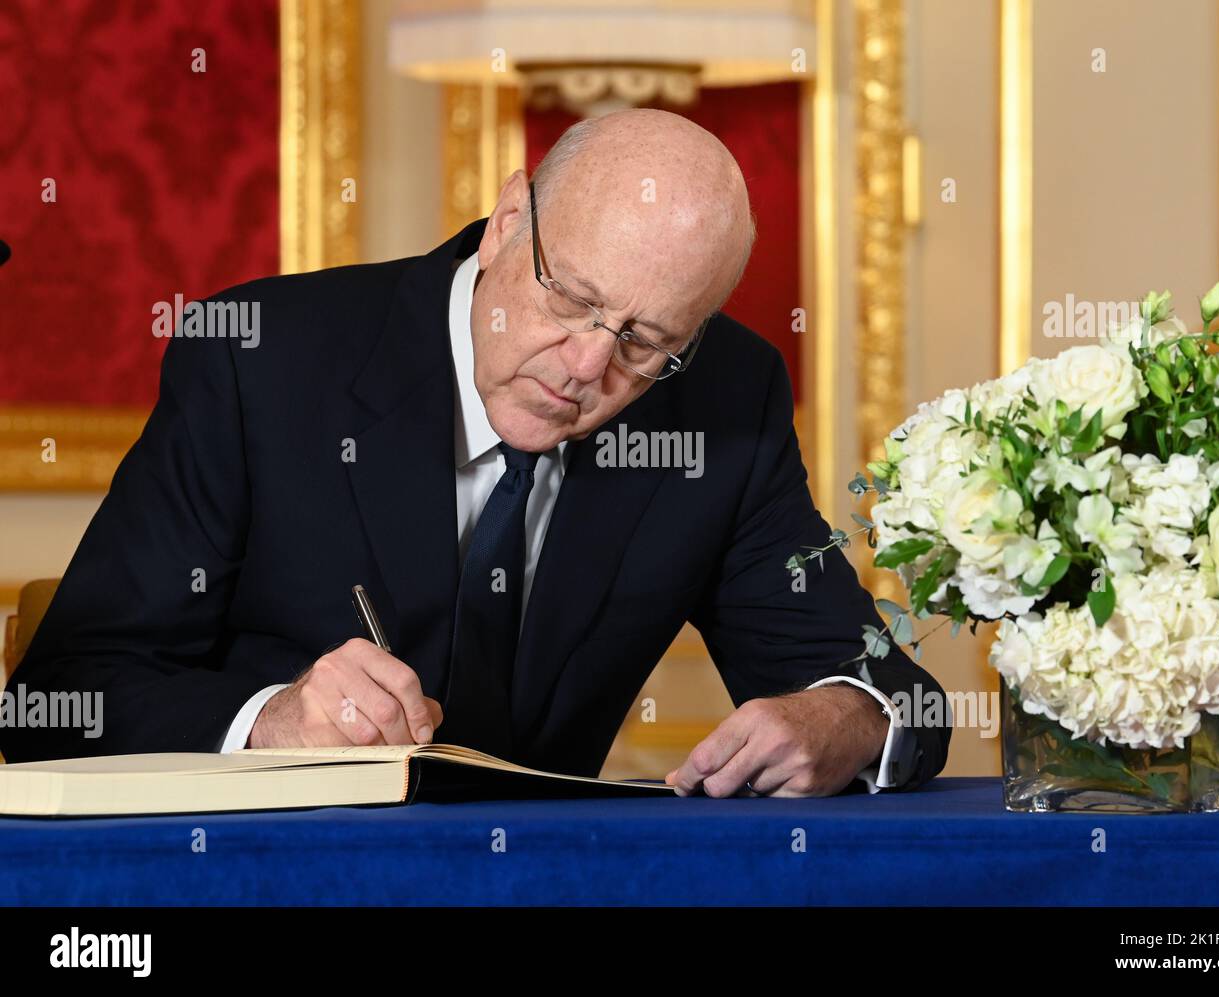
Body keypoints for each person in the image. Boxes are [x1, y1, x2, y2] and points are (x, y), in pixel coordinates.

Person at [0, 109, 950, 797]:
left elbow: (882, 679)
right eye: (569, 301)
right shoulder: (262, 360)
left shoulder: (723, 401)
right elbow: (54, 700)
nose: (586, 365)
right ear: (507, 223)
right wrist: (268, 724)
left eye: (645, 341)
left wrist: (845, 719)